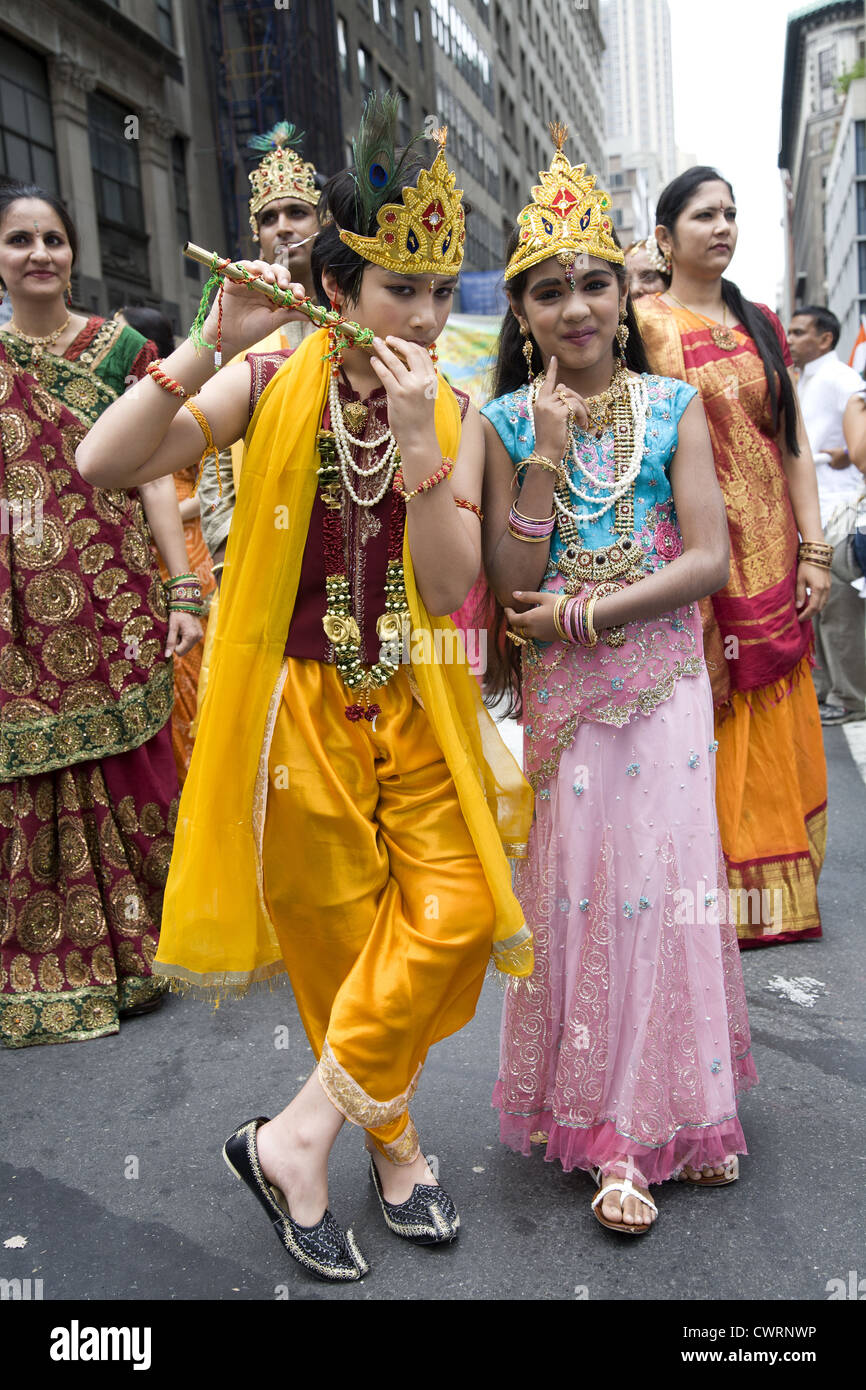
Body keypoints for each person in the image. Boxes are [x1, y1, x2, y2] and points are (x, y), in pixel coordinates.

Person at [76, 97, 533, 1282]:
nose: (425, 316)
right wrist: (206, 344)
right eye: (397, 289)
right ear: (338, 289)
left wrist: (426, 444)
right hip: (299, 705)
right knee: (340, 943)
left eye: (439, 291)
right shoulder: (269, 371)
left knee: (454, 915)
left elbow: (442, 586)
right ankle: (390, 1151)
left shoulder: (452, 402)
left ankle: (291, 1136)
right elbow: (103, 463)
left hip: (421, 693)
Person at [481, 125, 756, 1234]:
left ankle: (674, 1107)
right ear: (522, 313)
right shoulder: (500, 421)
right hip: (564, 701)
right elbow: (507, 579)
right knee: (588, 899)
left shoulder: (675, 404)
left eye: (594, 282)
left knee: (671, 889)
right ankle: (611, 1134)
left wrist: (586, 611)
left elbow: (705, 559)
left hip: (659, 684)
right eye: (550, 292)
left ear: (621, 290)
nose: (578, 308)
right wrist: (541, 452)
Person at [0, 181, 201, 1047]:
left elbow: (153, 467)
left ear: (74, 252)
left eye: (52, 237)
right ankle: (60, 953)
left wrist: (181, 584)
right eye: (19, 240)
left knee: (134, 758)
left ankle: (161, 932)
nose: (39, 252)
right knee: (31, 768)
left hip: (111, 586)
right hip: (16, 602)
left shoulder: (119, 349)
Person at [634, 167, 830, 948]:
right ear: (666, 234)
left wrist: (814, 551)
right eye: (703, 214)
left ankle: (775, 892)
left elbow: (793, 444)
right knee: (709, 703)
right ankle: (711, 891)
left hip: (775, 550)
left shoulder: (761, 323)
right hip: (695, 554)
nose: (722, 226)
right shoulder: (644, 324)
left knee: (776, 703)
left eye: (731, 213)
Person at [197, 124, 324, 582]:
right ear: (258, 235)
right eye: (269, 218)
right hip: (260, 548)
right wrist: (229, 554)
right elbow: (213, 455)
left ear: (322, 224)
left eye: (297, 213)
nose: (284, 227)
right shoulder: (235, 330)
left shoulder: (352, 323)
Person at [116, 305, 217, 780]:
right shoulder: (122, 408)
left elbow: (210, 489)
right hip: (138, 555)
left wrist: (160, 519)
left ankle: (200, 777)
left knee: (191, 669)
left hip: (185, 549)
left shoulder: (188, 399)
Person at [787, 305, 866, 725]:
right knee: (816, 608)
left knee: (837, 609)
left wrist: (846, 456)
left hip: (837, 510)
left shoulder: (841, 378)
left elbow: (859, 447)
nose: (791, 338)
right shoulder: (805, 379)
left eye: (800, 332)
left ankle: (851, 698)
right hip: (813, 509)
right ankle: (826, 691)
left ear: (825, 340)